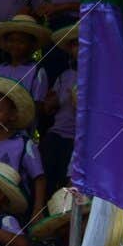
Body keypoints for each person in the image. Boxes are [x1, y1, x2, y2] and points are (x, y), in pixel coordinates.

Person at [0, 78, 46, 219]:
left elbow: (39, 178)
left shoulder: (23, 144)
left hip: (15, 212)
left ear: (12, 115)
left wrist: (38, 208)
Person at [41, 23, 80, 197]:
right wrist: (51, 102)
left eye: (80, 43)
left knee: (69, 181)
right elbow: (49, 109)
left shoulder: (98, 76)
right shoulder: (65, 76)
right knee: (49, 177)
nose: (77, 48)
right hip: (57, 134)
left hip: (77, 138)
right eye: (73, 44)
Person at [0, 14, 52, 107]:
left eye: (21, 42)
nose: (15, 45)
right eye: (11, 40)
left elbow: (38, 104)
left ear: (31, 45)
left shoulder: (36, 71)